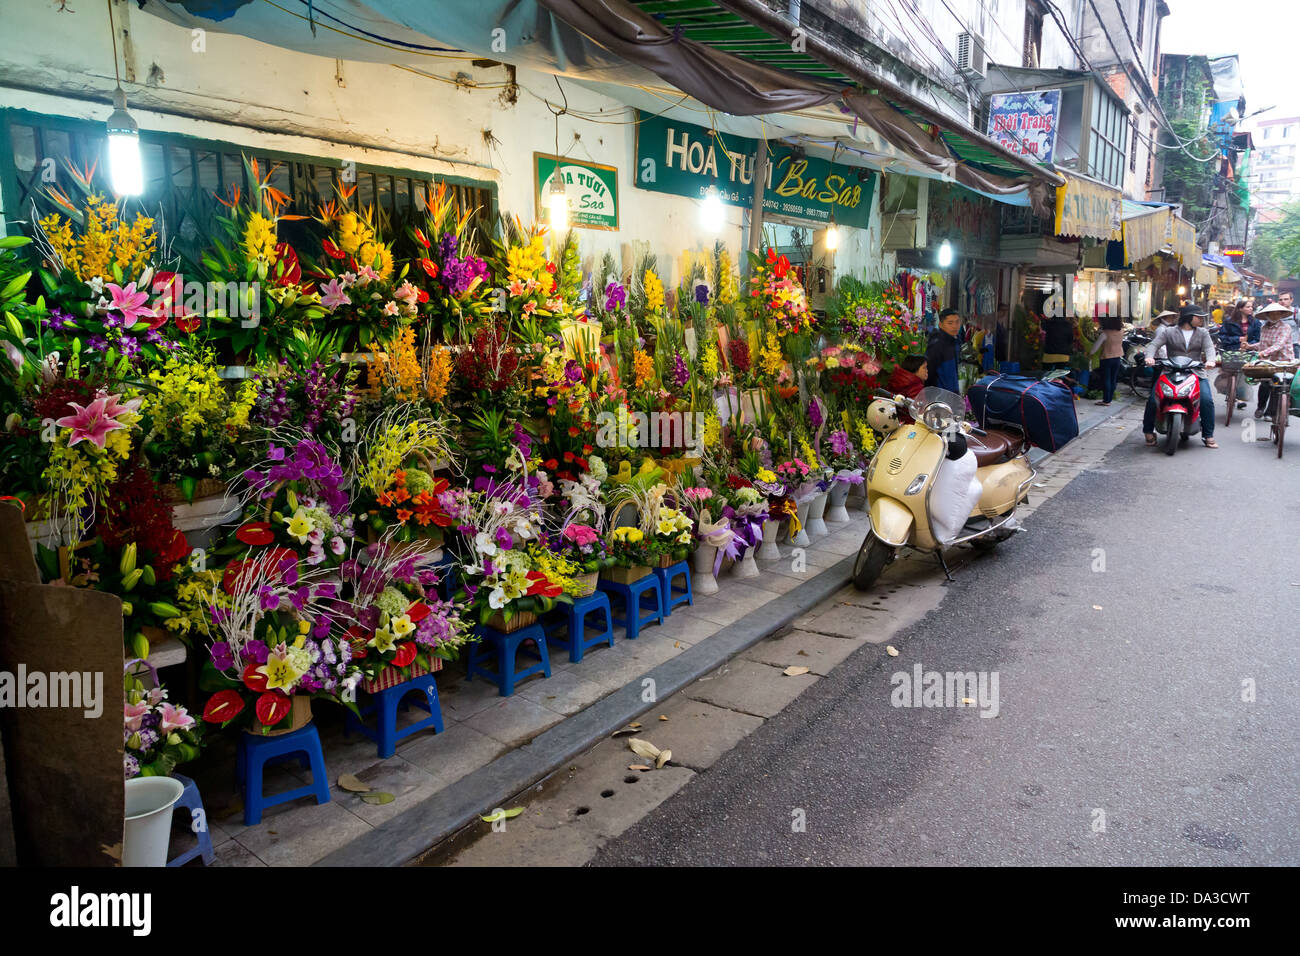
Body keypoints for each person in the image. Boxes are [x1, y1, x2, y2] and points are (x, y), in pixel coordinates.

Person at [1143, 304, 1218, 448]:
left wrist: (1210, 361)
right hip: (1170, 370)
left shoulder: (1203, 333)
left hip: (1196, 371)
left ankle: (1208, 435)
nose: (1201, 320)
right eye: (1198, 317)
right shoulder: (1169, 331)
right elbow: (1153, 345)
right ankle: (1148, 431)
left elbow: (1209, 348)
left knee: (1207, 400)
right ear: (1188, 318)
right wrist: (1150, 357)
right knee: (1153, 399)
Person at [1246, 301, 1295, 421]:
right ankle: (1260, 407)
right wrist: (1250, 346)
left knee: (1277, 386)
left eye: (1277, 314)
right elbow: (1262, 344)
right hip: (1267, 362)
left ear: (1281, 315)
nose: (1274, 316)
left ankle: (1270, 412)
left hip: (1284, 361)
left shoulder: (1285, 327)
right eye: (1271, 314)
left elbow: (1279, 344)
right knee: (1264, 384)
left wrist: (1264, 352)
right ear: (1267, 315)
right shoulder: (1263, 327)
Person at [1090, 315, 1124, 406]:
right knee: (1113, 379)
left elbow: (1095, 347)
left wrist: (1091, 353)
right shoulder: (1121, 331)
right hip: (1117, 358)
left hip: (1106, 358)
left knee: (1106, 379)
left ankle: (1106, 400)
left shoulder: (1105, 334)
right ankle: (1109, 399)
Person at [925, 308, 961, 393]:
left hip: (951, 395)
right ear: (940, 325)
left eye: (957, 322)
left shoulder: (954, 341)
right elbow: (929, 373)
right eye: (950, 323)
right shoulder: (937, 344)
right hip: (940, 396)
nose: (955, 326)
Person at [1279, 291, 1300, 359]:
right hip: (1278, 345)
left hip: (1293, 344)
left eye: (1286, 299)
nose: (1283, 301)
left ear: (1291, 300)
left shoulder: (1296, 312)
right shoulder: (1275, 313)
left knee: (1294, 367)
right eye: (1280, 299)